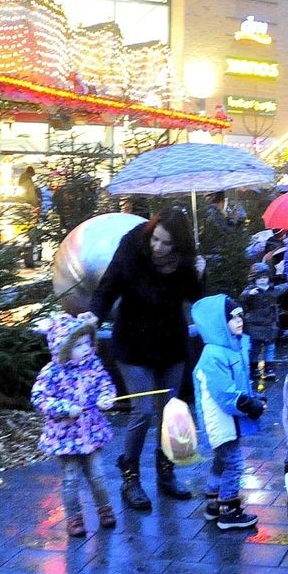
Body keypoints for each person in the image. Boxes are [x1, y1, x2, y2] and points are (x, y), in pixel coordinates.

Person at [90, 207, 205, 510]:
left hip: (170, 343)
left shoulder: (185, 261)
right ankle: (130, 478)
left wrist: (199, 273)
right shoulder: (132, 245)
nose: (158, 247)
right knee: (142, 411)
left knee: (170, 412)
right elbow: (108, 286)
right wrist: (93, 316)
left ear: (177, 244)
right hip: (133, 342)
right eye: (156, 238)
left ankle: (165, 475)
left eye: (166, 243)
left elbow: (197, 297)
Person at [31, 312, 117, 537]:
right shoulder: (52, 372)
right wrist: (64, 408)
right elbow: (40, 398)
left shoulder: (93, 366)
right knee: (70, 478)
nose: (86, 348)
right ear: (64, 348)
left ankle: (105, 508)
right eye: (78, 345)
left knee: (97, 474)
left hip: (91, 431)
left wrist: (107, 398)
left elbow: (105, 384)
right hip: (65, 436)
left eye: (88, 343)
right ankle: (74, 517)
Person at [191, 294, 265, 530]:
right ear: (219, 324)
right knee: (233, 464)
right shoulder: (214, 354)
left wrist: (252, 398)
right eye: (232, 318)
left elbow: (238, 385)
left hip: (227, 420)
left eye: (240, 316)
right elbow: (225, 394)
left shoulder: (231, 347)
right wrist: (250, 405)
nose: (239, 321)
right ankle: (229, 511)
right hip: (220, 422)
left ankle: (213, 503)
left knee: (221, 463)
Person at [240, 262, 288, 378]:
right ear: (254, 279)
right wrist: (249, 294)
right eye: (259, 278)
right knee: (255, 348)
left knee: (270, 348)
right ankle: (254, 367)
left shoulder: (271, 290)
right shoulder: (251, 290)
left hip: (269, 325)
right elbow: (242, 297)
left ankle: (269, 367)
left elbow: (280, 289)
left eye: (264, 278)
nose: (262, 280)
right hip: (255, 326)